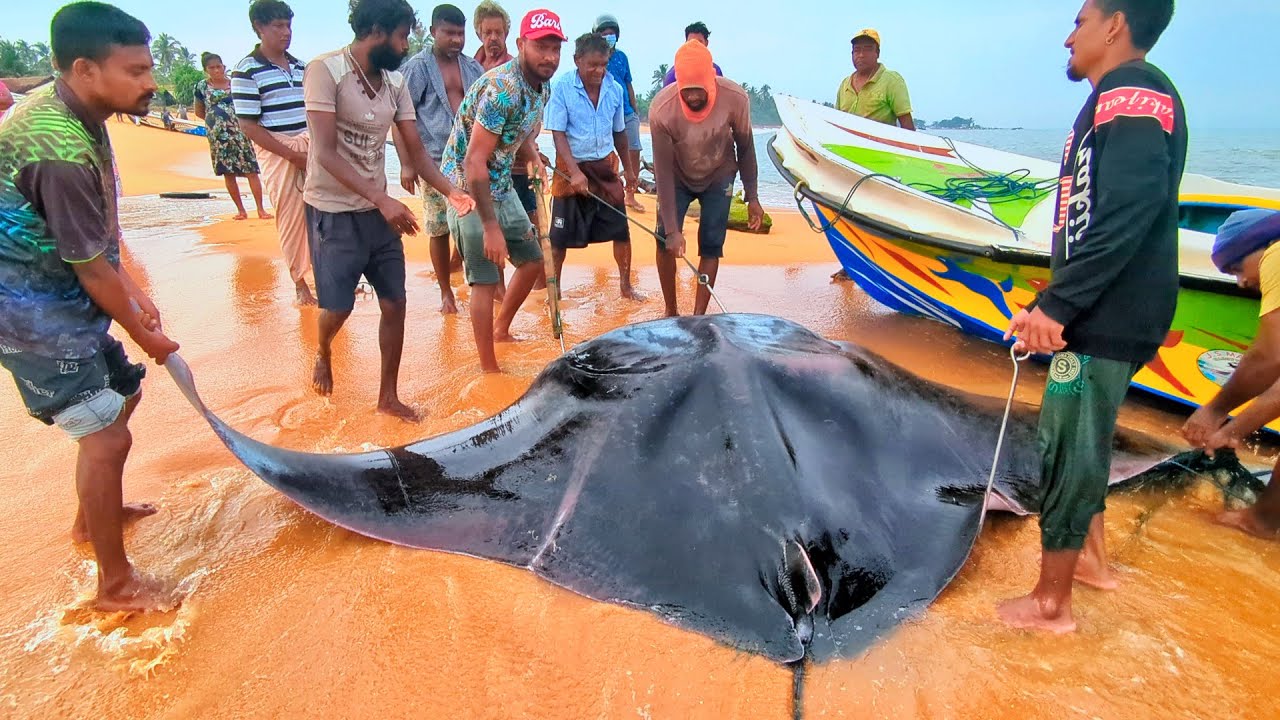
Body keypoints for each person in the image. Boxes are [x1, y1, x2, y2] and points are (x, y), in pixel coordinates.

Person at [998, 0, 1185, 634]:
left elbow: (1129, 209)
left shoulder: (1132, 91)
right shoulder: (1119, 96)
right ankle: (1092, 565)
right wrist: (1053, 301)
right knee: (1088, 436)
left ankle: (1052, 605)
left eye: (1080, 21)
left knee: (1067, 441)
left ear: (1115, 25)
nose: (1068, 36)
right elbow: (1091, 220)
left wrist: (1060, 306)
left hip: (1106, 314)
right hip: (1103, 304)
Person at [0, 1, 181, 612]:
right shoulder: (56, 146)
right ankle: (114, 586)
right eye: (135, 71)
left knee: (123, 391)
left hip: (60, 297)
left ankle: (92, 518)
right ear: (84, 68)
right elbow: (86, 264)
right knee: (105, 440)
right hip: (27, 313)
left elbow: (96, 241)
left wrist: (133, 294)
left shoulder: (84, 112)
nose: (151, 83)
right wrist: (143, 328)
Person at [303, 0, 474, 421]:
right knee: (337, 308)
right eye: (402, 36)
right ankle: (323, 349)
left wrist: (453, 192)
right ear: (377, 30)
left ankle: (388, 396)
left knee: (394, 303)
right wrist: (382, 199)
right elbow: (324, 153)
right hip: (333, 210)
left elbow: (415, 151)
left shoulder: (395, 83)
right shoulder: (325, 71)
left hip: (378, 215)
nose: (406, 45)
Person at [441, 8, 565, 374]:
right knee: (485, 275)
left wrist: (534, 158)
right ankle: (489, 369)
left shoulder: (543, 86)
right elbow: (473, 161)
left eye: (555, 49)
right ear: (521, 44)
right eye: (542, 47)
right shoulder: (501, 91)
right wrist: (491, 227)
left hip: (500, 180)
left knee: (530, 261)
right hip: (466, 185)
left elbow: (523, 130)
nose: (550, 58)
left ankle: (501, 328)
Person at [1182, 209, 1280, 540]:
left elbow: (1269, 358)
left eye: (1237, 268)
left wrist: (1219, 414)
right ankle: (1263, 522)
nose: (1241, 283)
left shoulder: (1276, 254)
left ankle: (1261, 522)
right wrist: (1233, 428)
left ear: (1261, 244)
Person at [649, 40, 762, 317]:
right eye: (688, 94)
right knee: (663, 238)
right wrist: (674, 232)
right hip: (676, 175)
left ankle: (699, 316)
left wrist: (753, 197)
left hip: (719, 174)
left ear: (712, 81)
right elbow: (662, 171)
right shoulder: (661, 109)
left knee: (711, 244)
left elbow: (746, 147)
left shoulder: (736, 98)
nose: (694, 99)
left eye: (700, 93)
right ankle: (671, 311)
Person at [395, 4, 484, 315]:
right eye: (449, 33)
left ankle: (483, 284)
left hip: (469, 159)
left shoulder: (473, 68)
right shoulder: (417, 68)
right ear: (433, 32)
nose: (456, 40)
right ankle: (445, 291)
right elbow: (400, 117)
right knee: (438, 229)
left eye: (460, 34)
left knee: (475, 223)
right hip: (432, 161)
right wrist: (406, 163)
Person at [231, 0, 316, 305]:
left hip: (311, 143)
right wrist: (292, 155)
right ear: (259, 28)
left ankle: (324, 274)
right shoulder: (246, 71)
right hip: (278, 150)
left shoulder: (302, 67)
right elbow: (250, 127)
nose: (286, 32)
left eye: (288, 25)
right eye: (278, 26)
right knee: (290, 215)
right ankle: (300, 282)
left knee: (322, 211)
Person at [546, 33, 639, 299]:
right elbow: (558, 133)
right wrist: (575, 172)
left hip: (605, 166)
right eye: (593, 65)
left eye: (603, 65)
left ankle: (625, 286)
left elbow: (619, 132)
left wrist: (630, 170)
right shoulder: (563, 87)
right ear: (577, 61)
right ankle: (556, 290)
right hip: (569, 168)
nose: (599, 71)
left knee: (621, 229)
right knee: (558, 236)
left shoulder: (615, 90)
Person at [193, 52, 272, 221]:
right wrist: (216, 121)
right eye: (211, 68)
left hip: (242, 132)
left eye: (218, 66)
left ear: (224, 66)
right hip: (218, 136)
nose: (216, 70)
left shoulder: (235, 84)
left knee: (251, 169)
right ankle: (241, 211)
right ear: (205, 70)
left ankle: (260, 209)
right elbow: (199, 111)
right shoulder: (201, 87)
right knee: (227, 172)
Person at [593, 14, 644, 214]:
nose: (608, 37)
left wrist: (635, 109)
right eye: (604, 34)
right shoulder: (595, 58)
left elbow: (628, 83)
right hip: (605, 112)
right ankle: (609, 193)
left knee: (634, 150)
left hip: (627, 112)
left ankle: (630, 195)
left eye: (611, 34)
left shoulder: (622, 57)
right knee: (606, 154)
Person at [835, 29, 915, 131]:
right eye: (857, 50)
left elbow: (908, 127)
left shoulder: (892, 80)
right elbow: (836, 123)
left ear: (877, 53)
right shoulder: (845, 84)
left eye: (867, 49)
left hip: (879, 145)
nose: (861, 55)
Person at [661, 22, 723, 88]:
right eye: (691, 42)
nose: (694, 45)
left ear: (706, 43)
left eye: (699, 42)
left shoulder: (716, 70)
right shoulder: (673, 74)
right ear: (685, 43)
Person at [473, 0, 513, 71]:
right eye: (488, 33)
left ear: (506, 34)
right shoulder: (470, 69)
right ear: (479, 35)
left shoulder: (514, 68)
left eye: (498, 32)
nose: (493, 38)